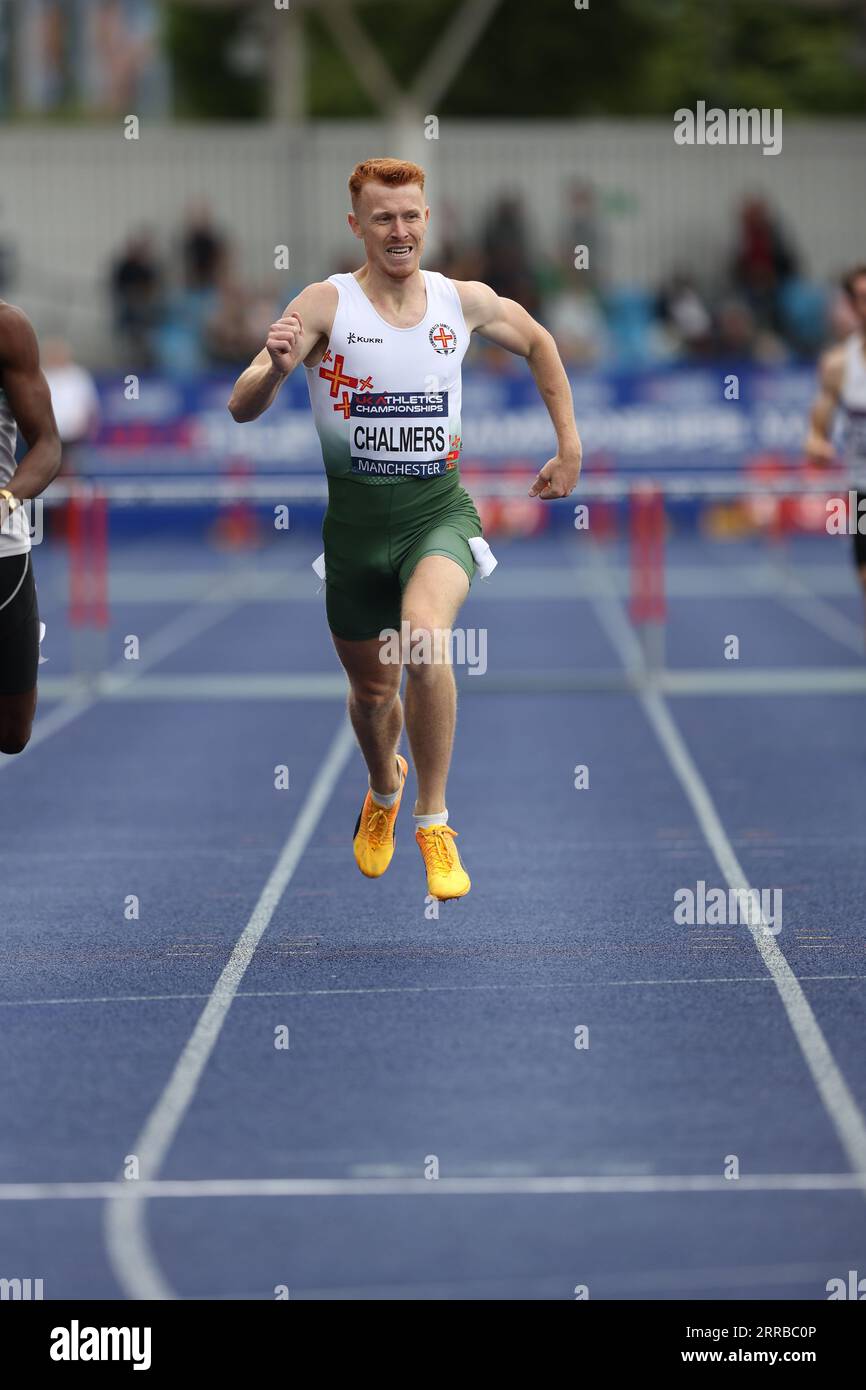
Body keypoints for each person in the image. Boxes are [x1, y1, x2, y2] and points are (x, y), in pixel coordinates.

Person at [228, 158, 582, 900]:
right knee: (370, 695)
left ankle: (434, 818)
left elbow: (542, 342)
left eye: (412, 215)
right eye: (384, 217)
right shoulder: (325, 304)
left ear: (429, 219)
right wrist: (275, 370)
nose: (400, 230)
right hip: (355, 534)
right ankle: (384, 788)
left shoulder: (463, 301)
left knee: (425, 639)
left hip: (437, 514)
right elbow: (242, 403)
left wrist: (569, 445)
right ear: (356, 225)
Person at [0, 303, 62, 752]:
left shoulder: (8, 327)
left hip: (3, 550)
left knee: (12, 733)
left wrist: (7, 498)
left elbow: (46, 443)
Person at [806, 263, 866, 627]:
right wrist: (816, 444)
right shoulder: (838, 365)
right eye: (862, 298)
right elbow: (817, 430)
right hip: (862, 491)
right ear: (853, 304)